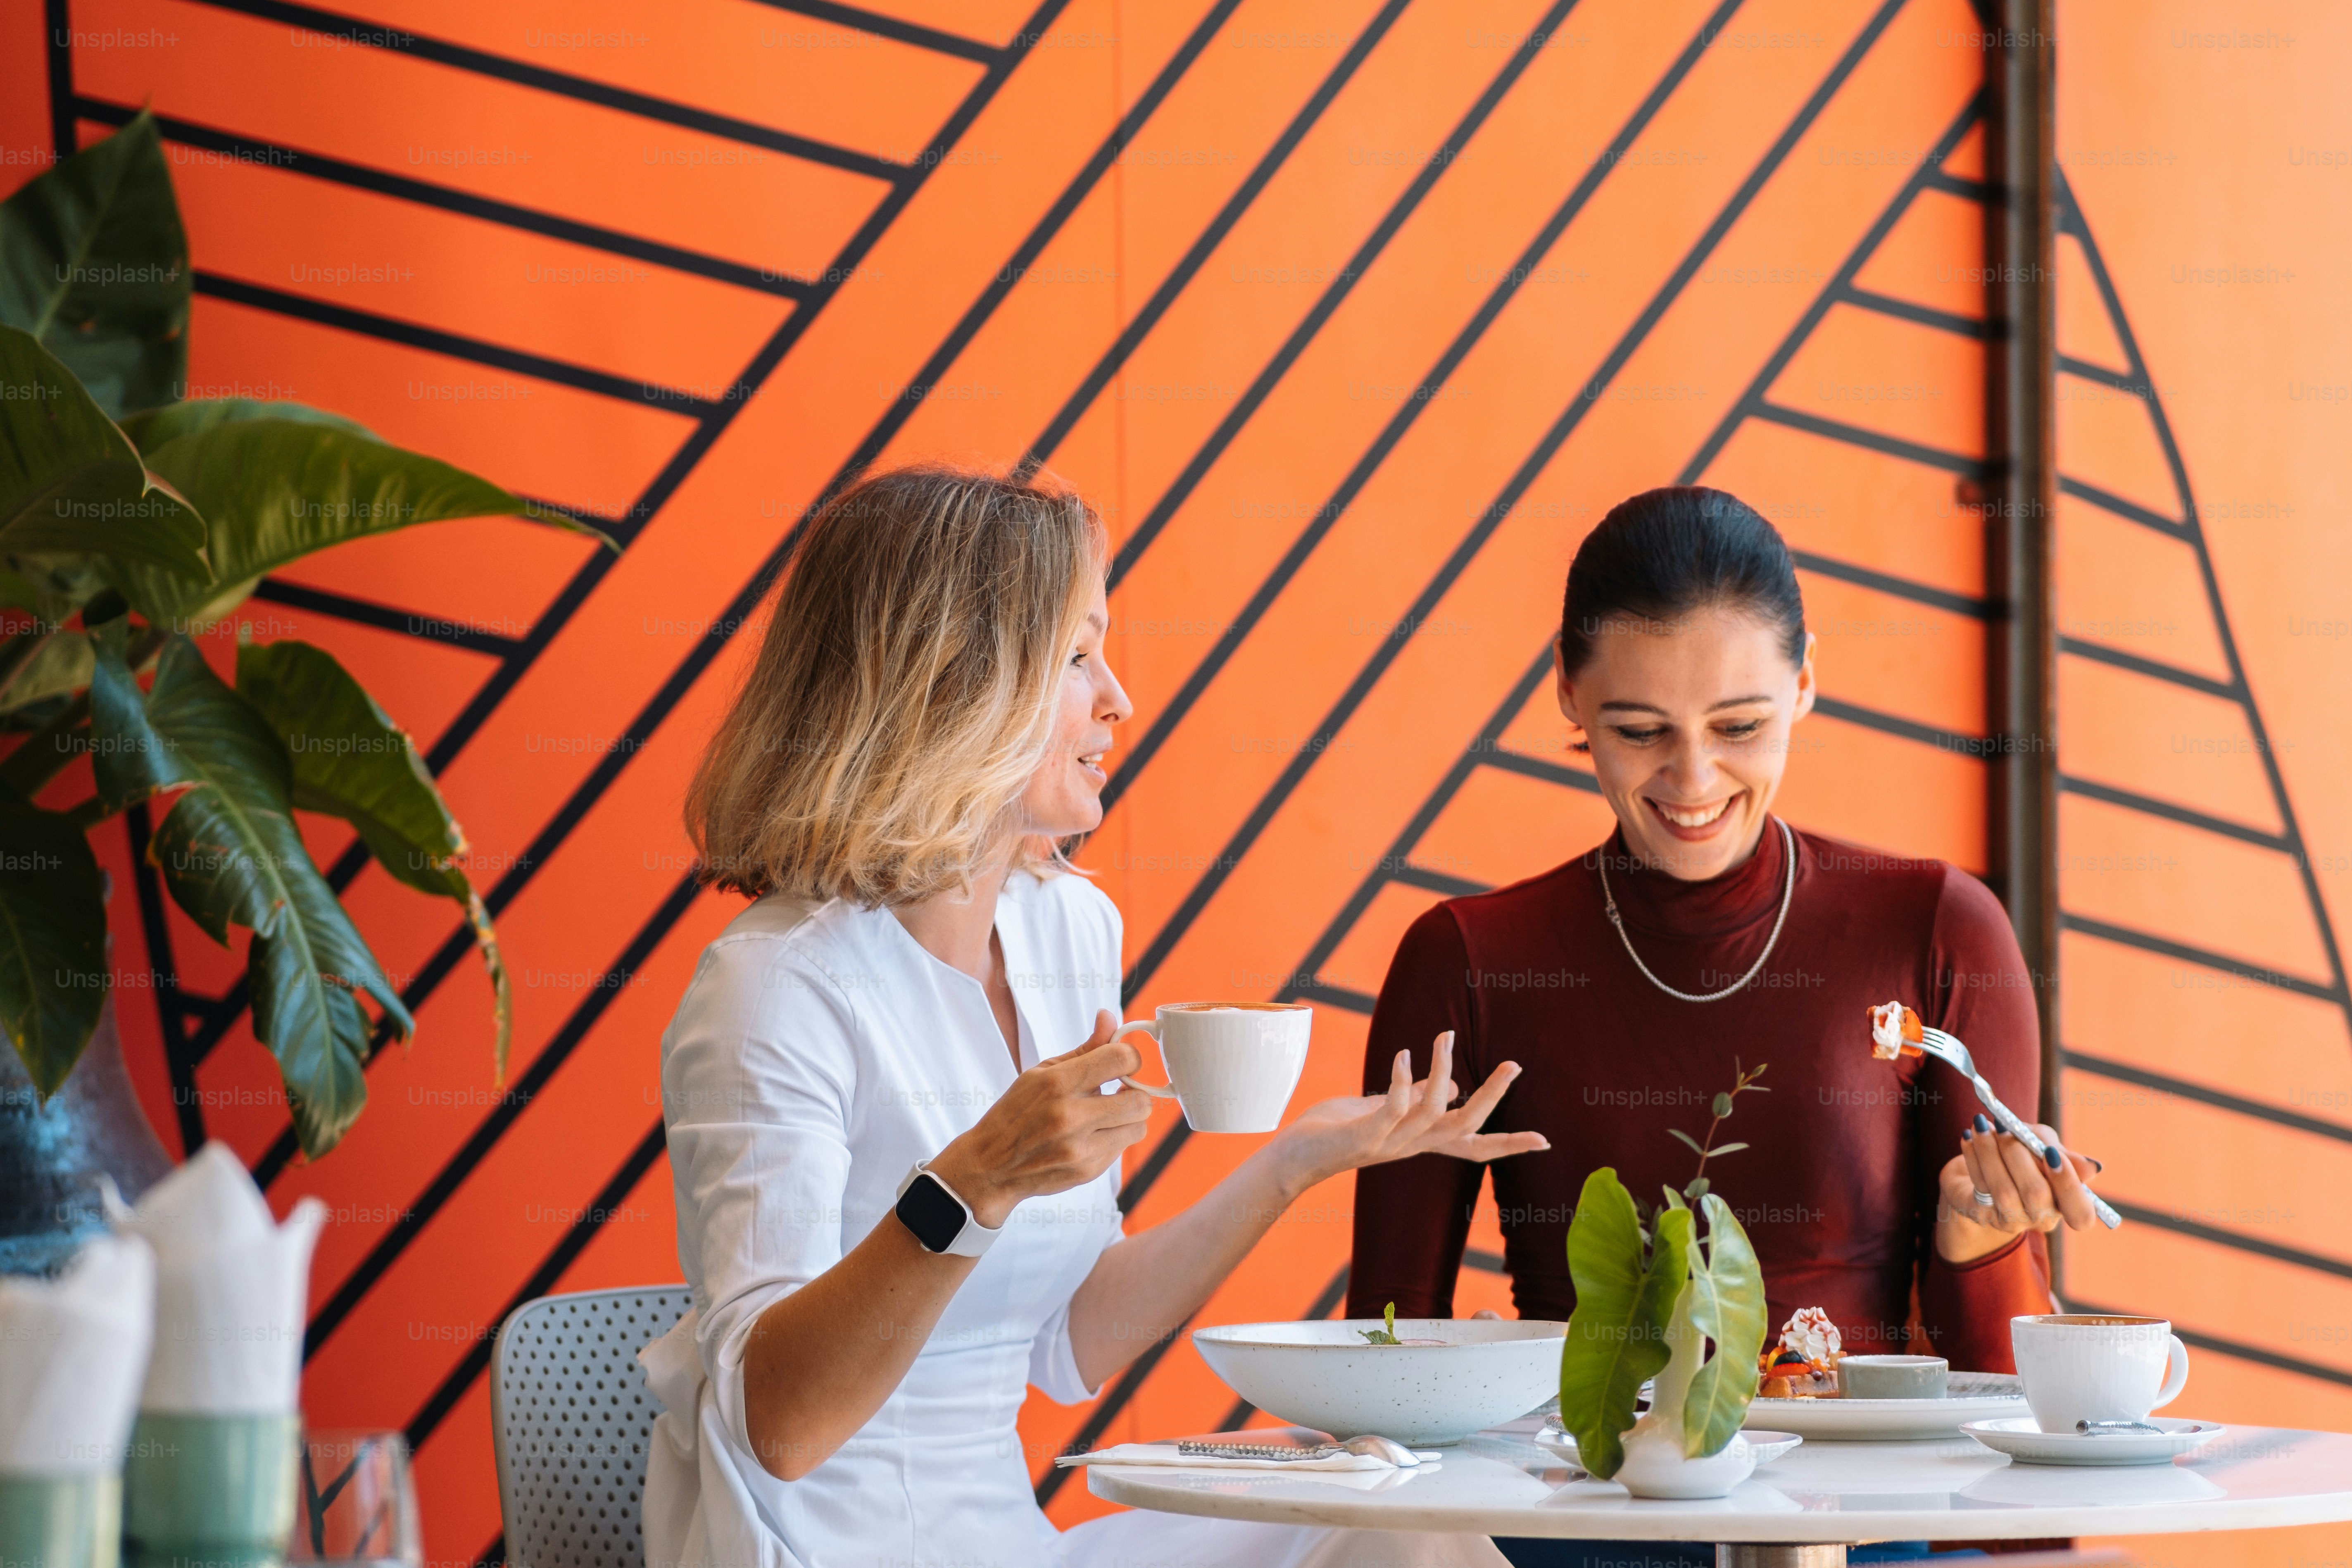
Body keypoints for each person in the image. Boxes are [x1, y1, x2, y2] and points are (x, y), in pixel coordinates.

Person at [640, 465, 1540, 1568]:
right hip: (828, 1553)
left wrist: (1297, 1162)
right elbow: (776, 1423)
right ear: (948, 684)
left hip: (1009, 1547)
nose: (1117, 697)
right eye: (1075, 657)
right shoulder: (773, 987)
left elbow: (1070, 1335)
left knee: (1405, 1528)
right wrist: (977, 1179)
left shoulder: (1068, 932)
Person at [1348, 486, 2108, 1568]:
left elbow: (2020, 1465)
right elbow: (1378, 1367)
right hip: (1566, 1531)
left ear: (1806, 683)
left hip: (1862, 1531)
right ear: (1567, 692)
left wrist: (1982, 1248)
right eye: (1639, 729)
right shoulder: (1467, 961)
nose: (1693, 780)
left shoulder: (1939, 931)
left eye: (1740, 725)